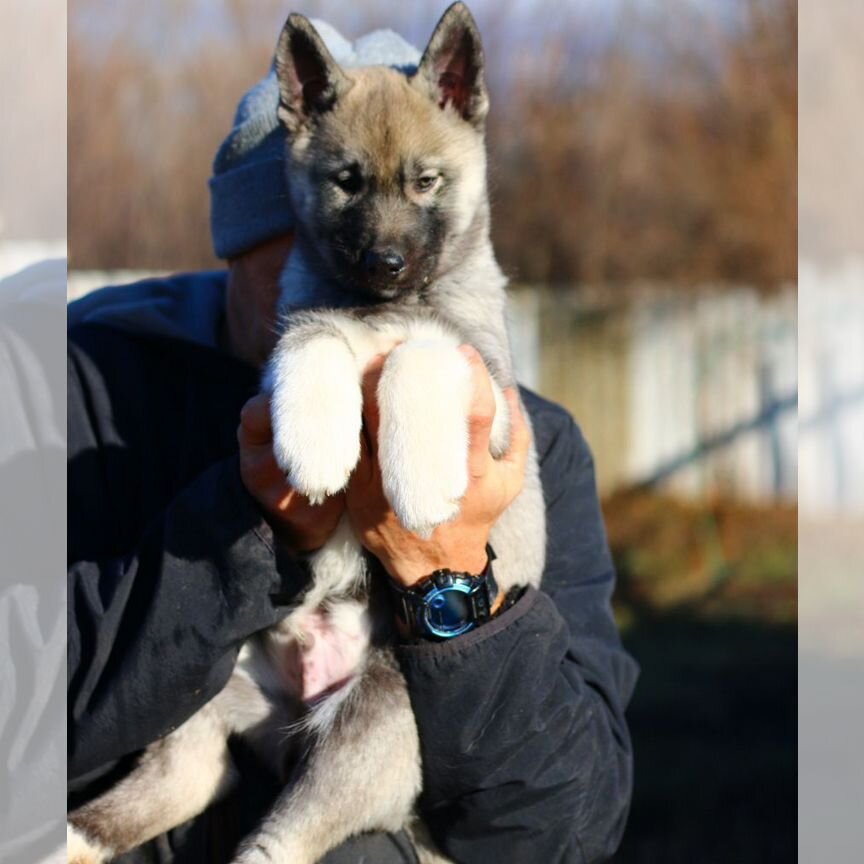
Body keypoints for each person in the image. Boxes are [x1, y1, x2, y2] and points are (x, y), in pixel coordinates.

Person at [67, 21, 638, 864]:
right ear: (229, 254)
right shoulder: (99, 385)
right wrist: (255, 537)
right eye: (285, 263)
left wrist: (443, 581)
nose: (373, 261)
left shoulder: (539, 442)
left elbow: (567, 826)